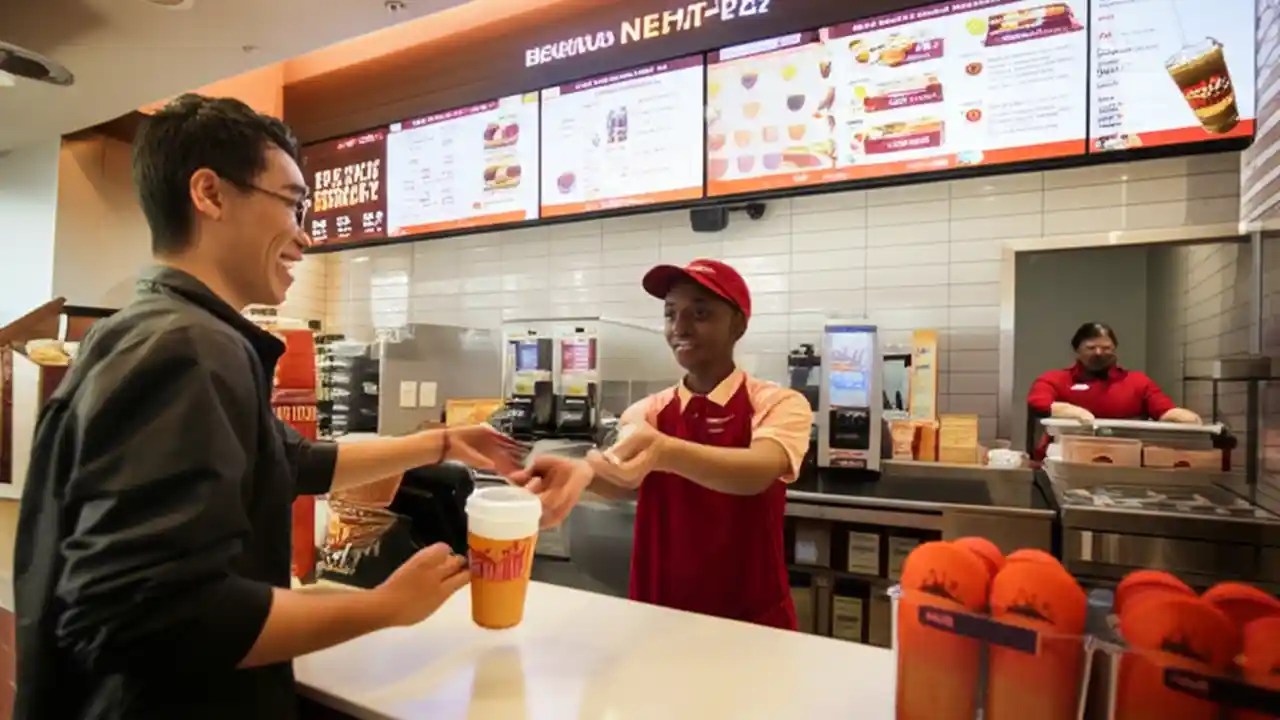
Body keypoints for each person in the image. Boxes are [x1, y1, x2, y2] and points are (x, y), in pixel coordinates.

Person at [13, 94, 524, 720]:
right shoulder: (190, 349)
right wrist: (385, 607)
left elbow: (290, 459)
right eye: (291, 202)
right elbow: (151, 612)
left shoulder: (153, 330)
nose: (305, 234)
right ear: (210, 194)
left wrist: (439, 443)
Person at [511, 259, 812, 630]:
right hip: (657, 614)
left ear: (737, 324)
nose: (680, 327)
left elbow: (758, 472)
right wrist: (580, 472)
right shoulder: (648, 412)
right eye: (671, 314)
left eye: (700, 312)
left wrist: (664, 451)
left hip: (750, 618)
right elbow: (623, 478)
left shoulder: (777, 403)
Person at [1027, 321, 1201, 457]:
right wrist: (1072, 411)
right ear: (1077, 350)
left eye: (1106, 348)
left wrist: (1187, 421)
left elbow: (1164, 409)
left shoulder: (1137, 382)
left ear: (1115, 350)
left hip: (1123, 460)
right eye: (1091, 348)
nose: (1098, 353)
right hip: (1065, 459)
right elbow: (1037, 401)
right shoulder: (1055, 379)